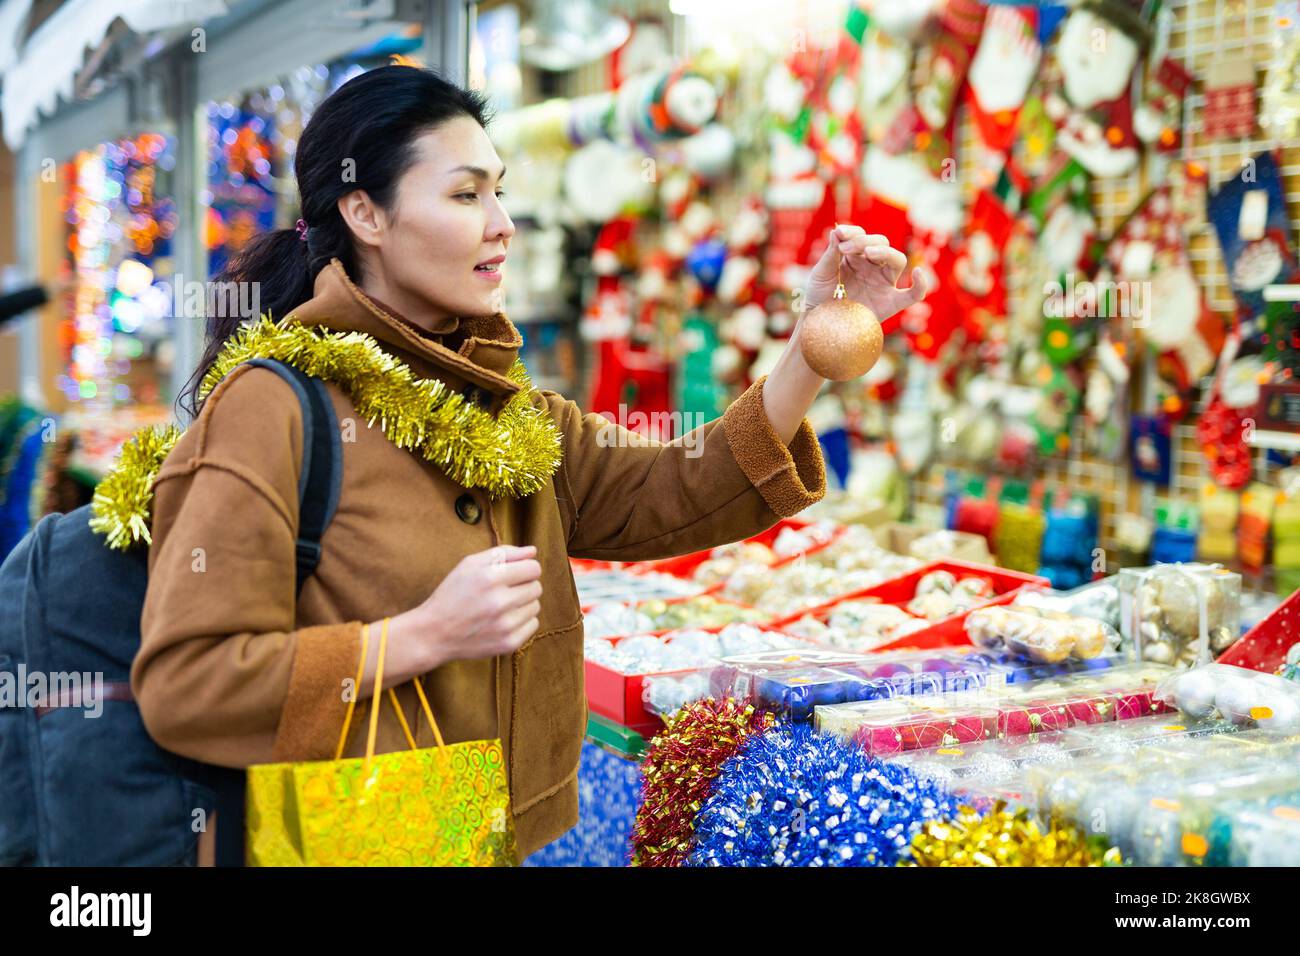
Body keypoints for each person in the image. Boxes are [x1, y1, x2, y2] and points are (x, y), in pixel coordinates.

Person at [129, 64, 927, 862]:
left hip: (479, 839)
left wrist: (811, 347)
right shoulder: (274, 408)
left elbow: (674, 485)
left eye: (500, 191)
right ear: (364, 211)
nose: (505, 223)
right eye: (467, 195)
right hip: (344, 839)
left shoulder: (507, 407)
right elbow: (188, 685)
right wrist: (418, 637)